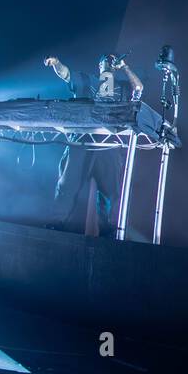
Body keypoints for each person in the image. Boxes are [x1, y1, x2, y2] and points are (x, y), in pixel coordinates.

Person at [43, 54, 144, 237]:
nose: (110, 61)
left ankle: (108, 234)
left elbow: (139, 88)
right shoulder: (86, 80)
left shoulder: (121, 86)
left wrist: (125, 68)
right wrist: (56, 63)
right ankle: (55, 227)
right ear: (99, 64)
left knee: (110, 194)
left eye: (112, 60)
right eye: (107, 59)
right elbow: (65, 74)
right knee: (67, 187)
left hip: (108, 145)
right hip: (81, 141)